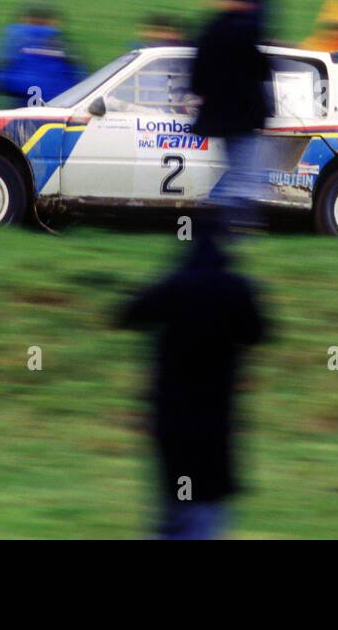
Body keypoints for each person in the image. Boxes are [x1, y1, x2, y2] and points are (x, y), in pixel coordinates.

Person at [116, 226, 269, 539]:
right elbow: (260, 332)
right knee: (207, 503)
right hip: (216, 421)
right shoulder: (236, 289)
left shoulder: (174, 286)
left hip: (170, 418)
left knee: (174, 502)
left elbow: (127, 314)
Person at [191, 0, 272, 231]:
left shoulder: (208, 31)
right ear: (245, 3)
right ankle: (235, 228)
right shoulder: (248, 31)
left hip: (219, 116)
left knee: (234, 169)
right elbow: (262, 70)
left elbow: (196, 79)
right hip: (245, 115)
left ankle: (216, 222)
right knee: (244, 176)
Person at [0, 7, 87, 106]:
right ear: (53, 22)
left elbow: (5, 80)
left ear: (28, 20)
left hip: (26, 109)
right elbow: (82, 81)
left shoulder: (19, 41)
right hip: (59, 109)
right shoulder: (63, 44)